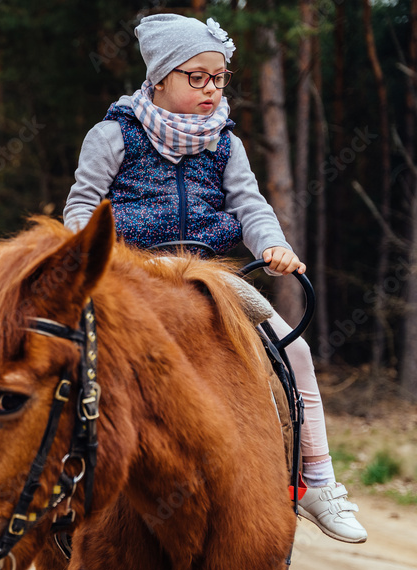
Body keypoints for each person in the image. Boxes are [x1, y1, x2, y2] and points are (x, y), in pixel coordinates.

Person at [63, 13, 366, 543]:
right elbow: (83, 205)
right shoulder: (112, 134)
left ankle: (316, 479)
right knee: (74, 355)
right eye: (195, 77)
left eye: (219, 78)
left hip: (209, 273)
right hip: (132, 270)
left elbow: (250, 204)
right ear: (160, 76)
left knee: (294, 352)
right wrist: (94, 259)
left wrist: (272, 244)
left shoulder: (225, 143)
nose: (211, 89)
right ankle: (63, 480)